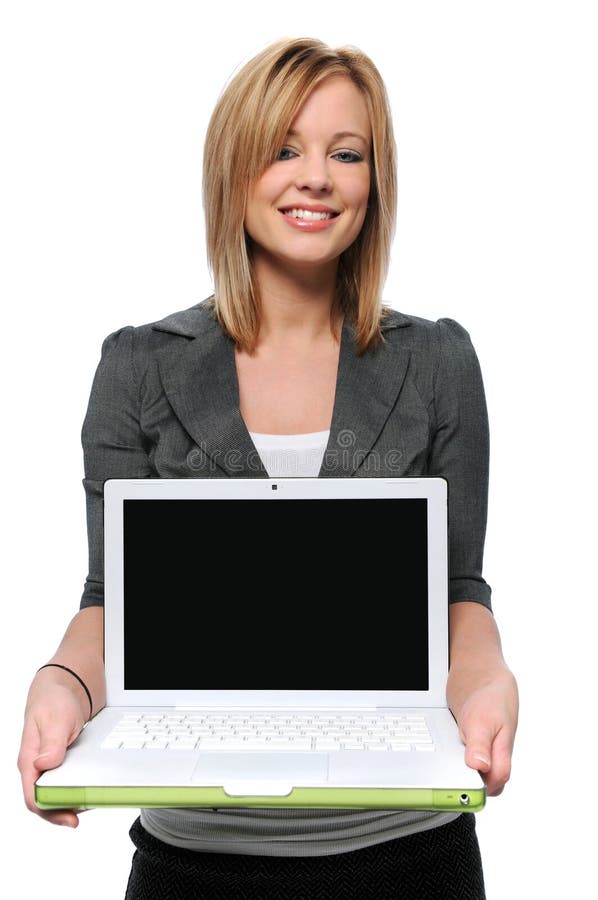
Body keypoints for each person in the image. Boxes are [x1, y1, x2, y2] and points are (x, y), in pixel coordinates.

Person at [18, 36, 518, 899]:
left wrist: (486, 690)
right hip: (193, 862)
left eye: (345, 152)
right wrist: (58, 685)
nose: (315, 176)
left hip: (410, 853)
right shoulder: (139, 367)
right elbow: (110, 602)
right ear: (234, 170)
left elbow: (458, 593)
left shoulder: (437, 362)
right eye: (284, 148)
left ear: (374, 180)